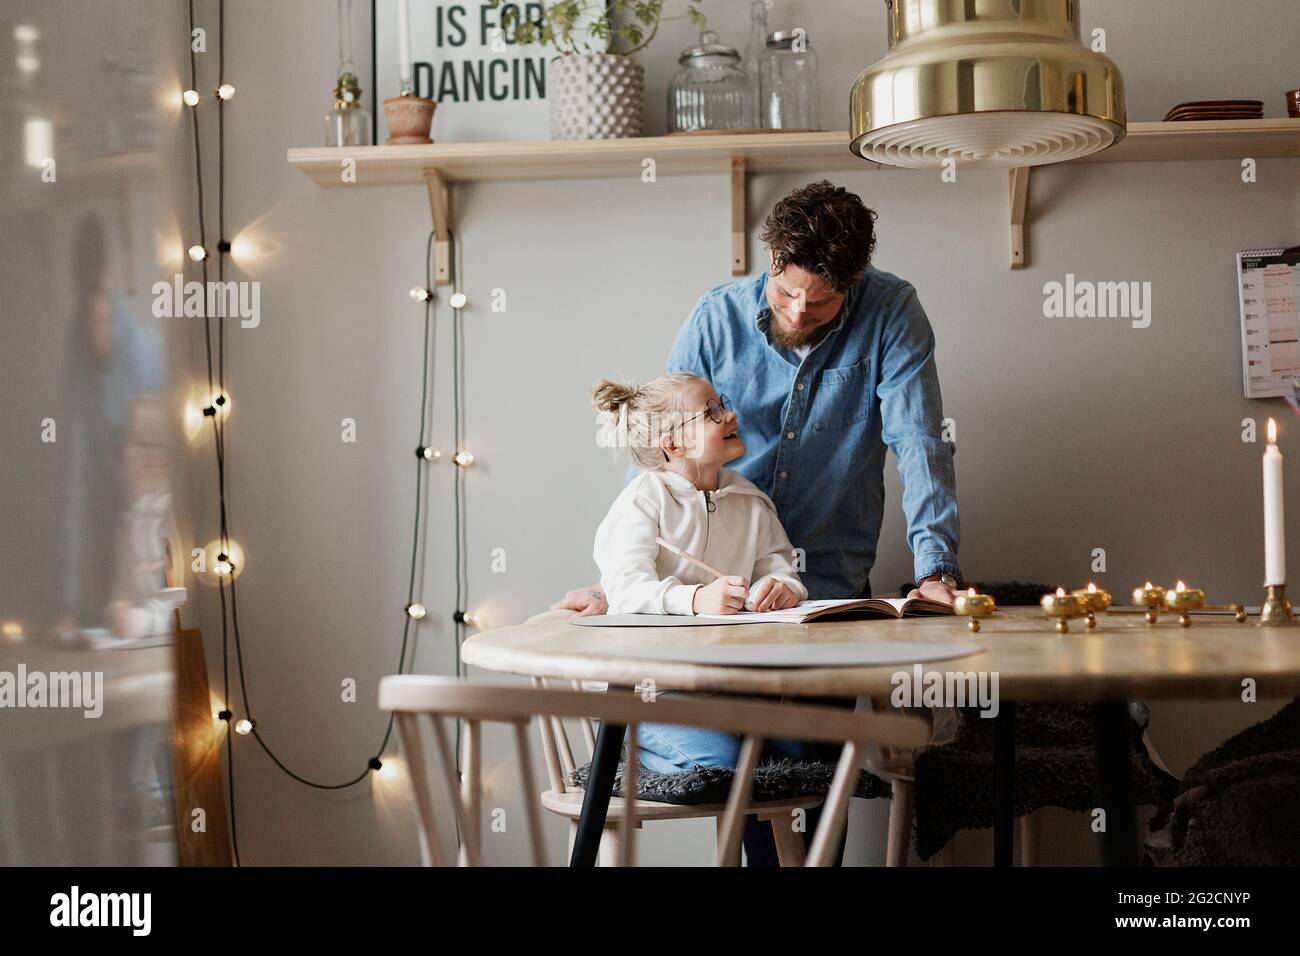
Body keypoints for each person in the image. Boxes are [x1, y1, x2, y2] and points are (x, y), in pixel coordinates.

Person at [556, 180, 962, 617]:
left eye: (821, 301)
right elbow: (660, 443)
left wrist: (934, 573)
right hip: (709, 597)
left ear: (855, 279)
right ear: (772, 259)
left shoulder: (890, 313)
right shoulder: (715, 319)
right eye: (787, 292)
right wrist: (620, 582)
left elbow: (919, 442)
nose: (798, 313)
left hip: (831, 582)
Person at [590, 372, 806, 617]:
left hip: (732, 647)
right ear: (672, 445)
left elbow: (780, 566)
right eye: (711, 412)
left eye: (722, 405)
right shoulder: (641, 503)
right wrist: (694, 599)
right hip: (655, 650)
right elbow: (625, 591)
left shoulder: (750, 499)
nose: (731, 415)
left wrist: (783, 586)